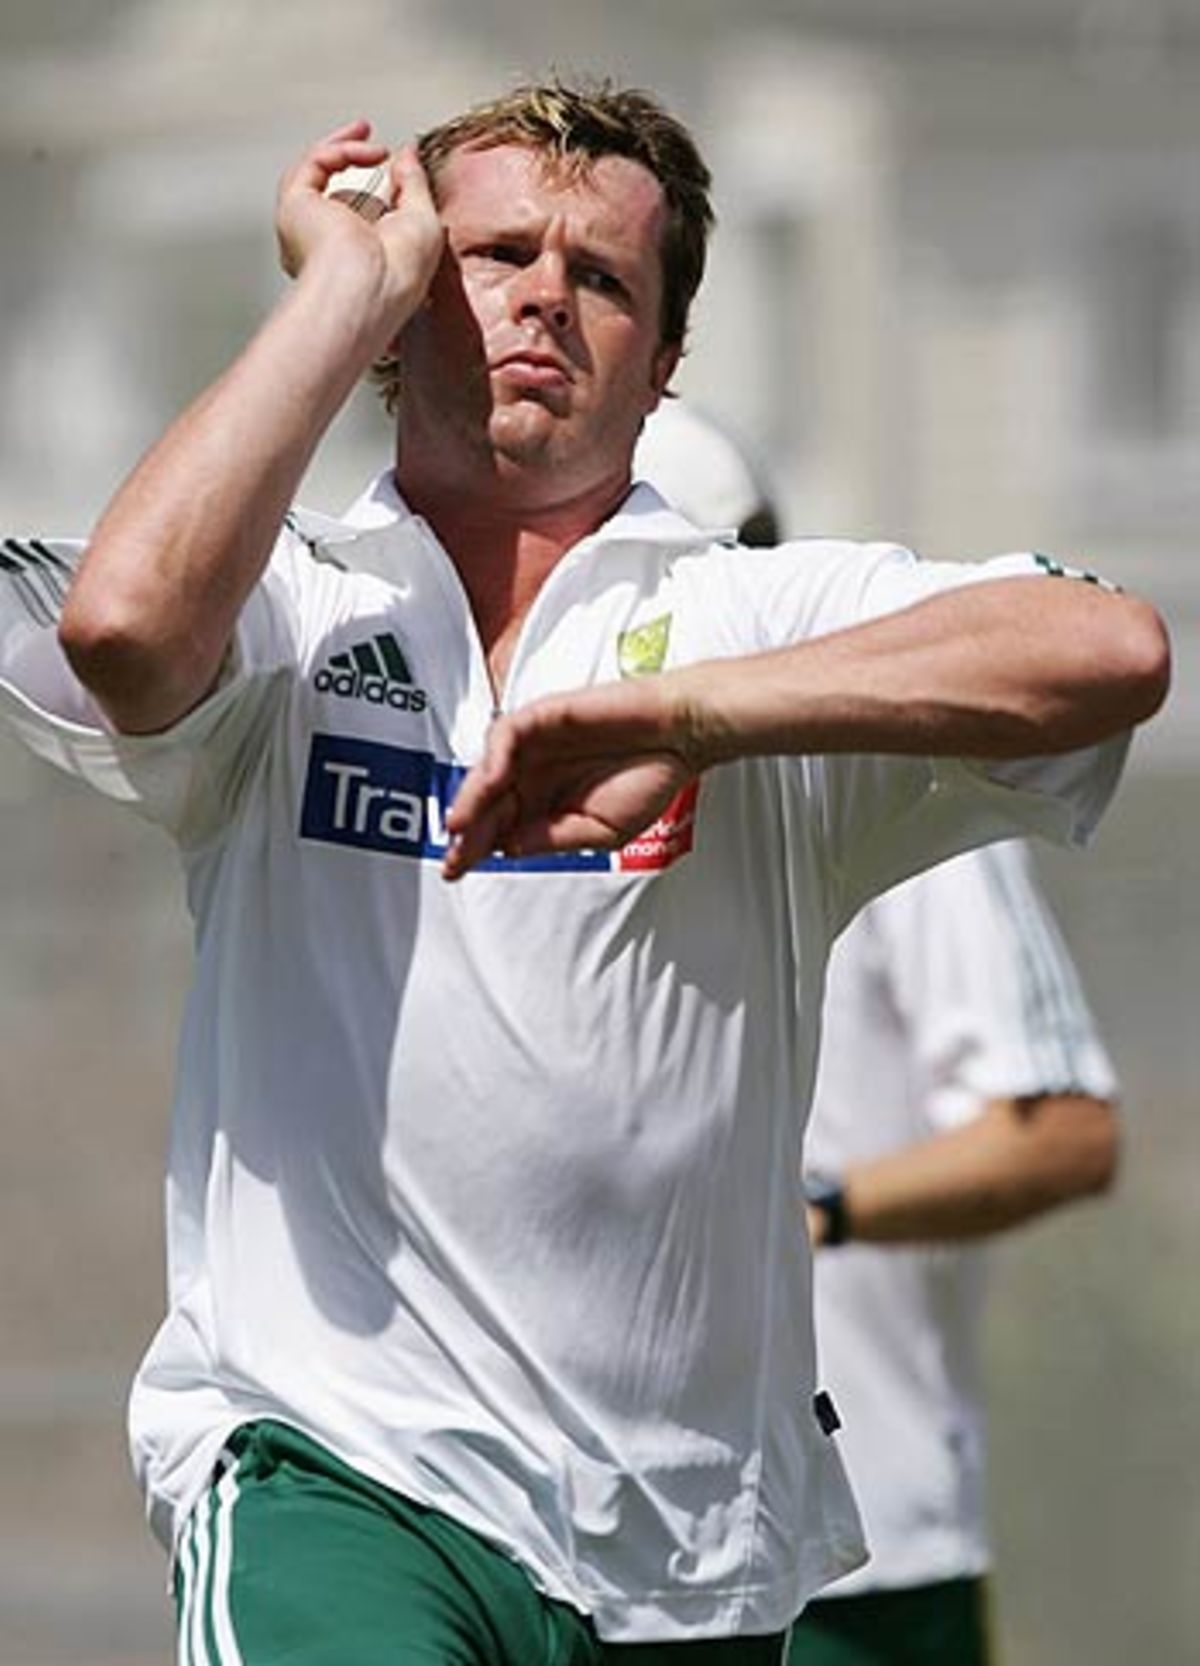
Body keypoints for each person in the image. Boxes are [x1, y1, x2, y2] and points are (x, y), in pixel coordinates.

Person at [0, 80, 1167, 1666]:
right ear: (411, 303)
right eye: (490, 257)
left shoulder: (752, 616)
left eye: (603, 276)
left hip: (685, 1546)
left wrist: (694, 718)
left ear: (666, 361)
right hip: (340, 1470)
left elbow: (1112, 647)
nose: (547, 292)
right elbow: (122, 630)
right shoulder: (289, 607)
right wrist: (342, 293)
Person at [633, 403, 1121, 1665]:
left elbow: (1062, 1130)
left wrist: (820, 1208)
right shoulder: (524, 817)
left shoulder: (898, 806)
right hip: (613, 1547)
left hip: (870, 1549)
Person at [789, 841, 1119, 1666]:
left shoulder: (921, 805)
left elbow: (1063, 1132)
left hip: (863, 1571)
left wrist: (813, 1213)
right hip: (572, 1546)